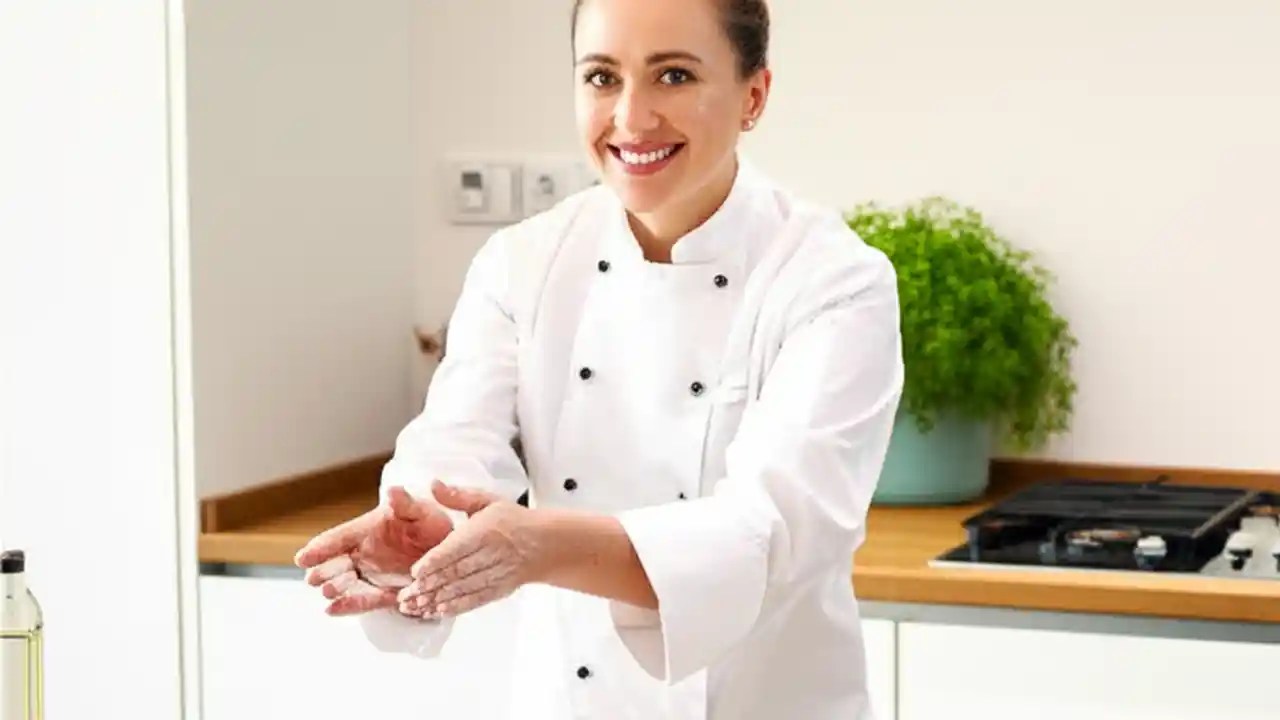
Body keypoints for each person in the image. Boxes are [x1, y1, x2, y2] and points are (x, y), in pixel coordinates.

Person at [293, 0, 904, 717]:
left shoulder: (831, 281)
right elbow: (456, 441)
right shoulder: (523, 262)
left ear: (753, 96)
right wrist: (421, 528)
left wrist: (539, 547)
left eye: (674, 75)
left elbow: (773, 533)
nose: (632, 118)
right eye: (602, 77)